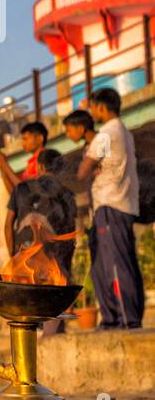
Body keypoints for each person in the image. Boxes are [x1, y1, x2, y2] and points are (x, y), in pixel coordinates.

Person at [78, 88, 143, 329]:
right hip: (123, 203)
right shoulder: (124, 131)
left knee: (115, 263)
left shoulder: (106, 133)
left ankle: (123, 318)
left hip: (109, 203)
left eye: (93, 107)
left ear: (102, 108)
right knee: (125, 260)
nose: (92, 112)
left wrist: (90, 168)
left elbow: (83, 170)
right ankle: (127, 317)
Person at [5, 148, 78, 336]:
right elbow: (70, 233)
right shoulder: (67, 194)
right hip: (54, 258)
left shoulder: (20, 188)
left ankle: (28, 347)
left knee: (27, 312)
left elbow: (7, 225)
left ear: (39, 166)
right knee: (52, 310)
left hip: (24, 256)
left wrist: (13, 256)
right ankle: (50, 342)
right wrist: (65, 265)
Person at [0, 120, 48, 193]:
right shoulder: (32, 162)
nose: (23, 144)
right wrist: (2, 167)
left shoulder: (46, 158)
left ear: (40, 138)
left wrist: (4, 163)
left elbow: (23, 190)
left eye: (26, 139)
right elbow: (15, 193)